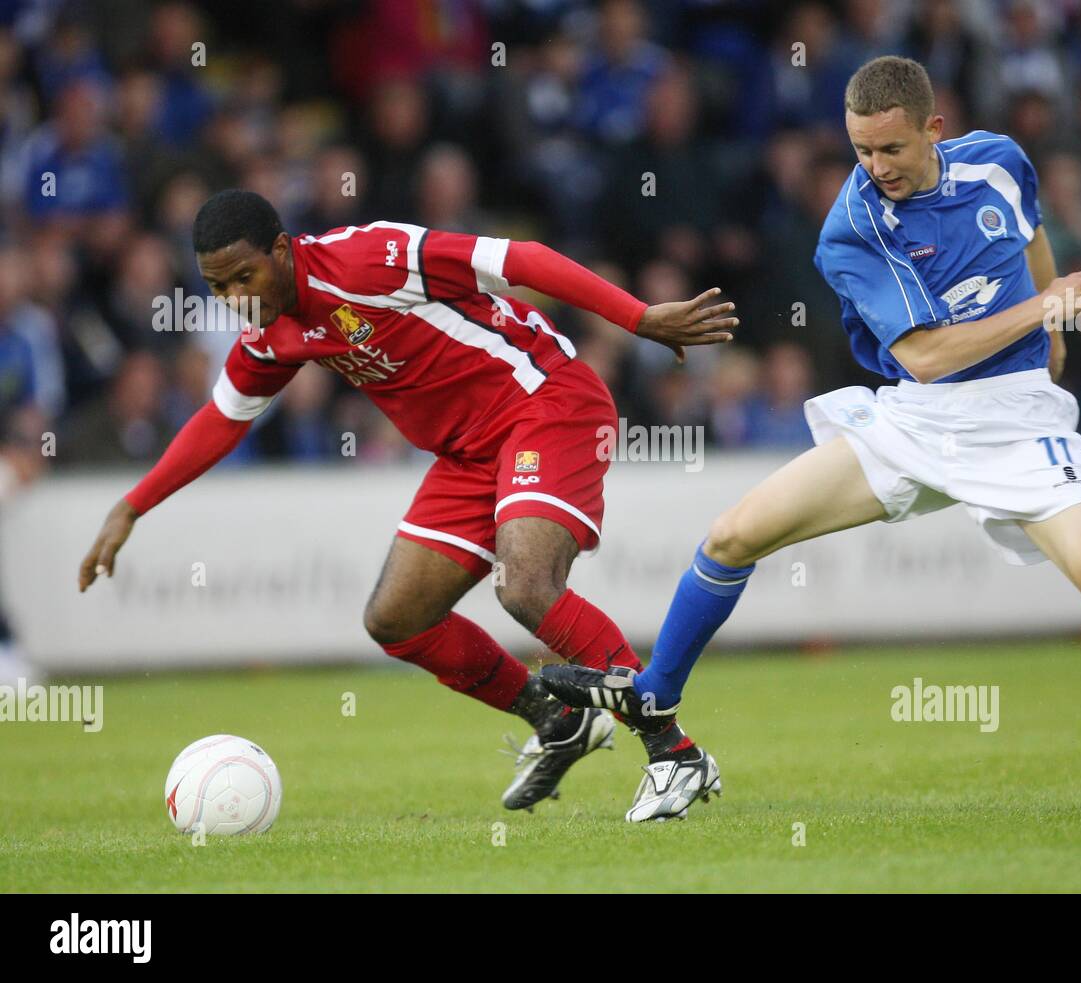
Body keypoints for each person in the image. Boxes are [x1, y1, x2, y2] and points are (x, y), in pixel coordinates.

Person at [542, 57, 1081, 814]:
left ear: (934, 130)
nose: (874, 167)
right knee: (733, 533)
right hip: (918, 415)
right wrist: (1043, 311)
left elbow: (1032, 235)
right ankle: (656, 696)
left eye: (890, 149)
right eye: (860, 149)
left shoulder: (999, 161)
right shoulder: (850, 228)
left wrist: (1050, 345)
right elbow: (924, 355)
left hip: (1018, 418)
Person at [78, 190, 738, 821]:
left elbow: (521, 259)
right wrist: (132, 506)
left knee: (526, 585)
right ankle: (556, 717)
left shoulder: (367, 257)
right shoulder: (269, 333)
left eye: (242, 277)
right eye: (217, 288)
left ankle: (673, 750)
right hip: (467, 454)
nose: (233, 299)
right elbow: (221, 420)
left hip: (544, 401)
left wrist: (637, 317)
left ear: (281, 249)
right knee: (397, 618)